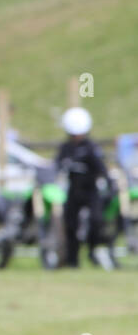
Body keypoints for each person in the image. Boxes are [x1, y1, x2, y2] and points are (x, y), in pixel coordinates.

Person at [55, 107, 112, 268]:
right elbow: (57, 166)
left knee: (96, 220)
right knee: (70, 224)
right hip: (73, 191)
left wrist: (109, 184)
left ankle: (93, 250)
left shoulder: (91, 148)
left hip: (91, 191)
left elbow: (102, 168)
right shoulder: (66, 148)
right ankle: (73, 260)